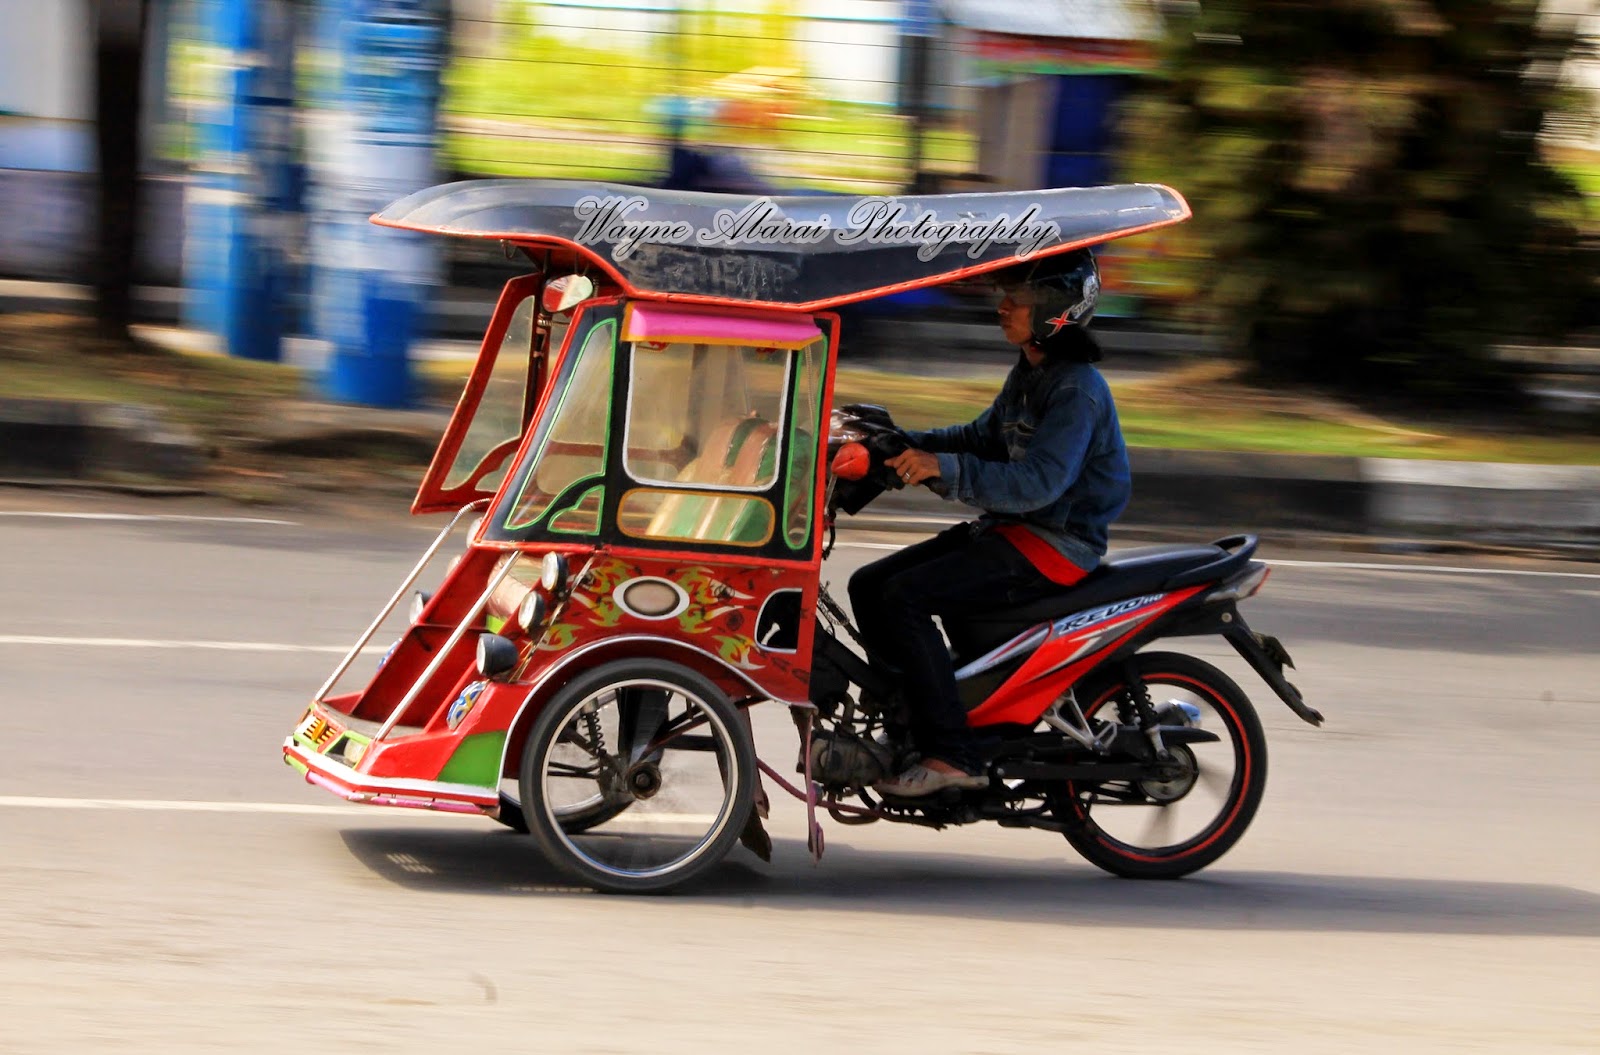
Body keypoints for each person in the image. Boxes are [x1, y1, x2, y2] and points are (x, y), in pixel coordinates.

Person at [847, 248, 1131, 797]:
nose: (1003, 308)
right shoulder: (1032, 373)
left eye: (1017, 299)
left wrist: (941, 468)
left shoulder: (1075, 390)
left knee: (904, 597)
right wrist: (899, 442)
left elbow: (1038, 483)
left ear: (1053, 310)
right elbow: (980, 438)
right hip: (1015, 532)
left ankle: (953, 752)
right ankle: (914, 718)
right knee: (868, 584)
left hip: (1054, 545)